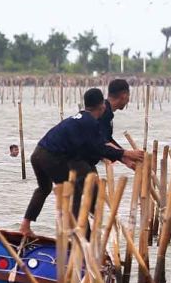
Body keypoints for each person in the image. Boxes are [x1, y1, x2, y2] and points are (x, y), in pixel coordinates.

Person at [20, 88, 145, 237]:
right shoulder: (90, 122)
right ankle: (77, 236)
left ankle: (25, 226)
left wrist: (123, 157)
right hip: (50, 158)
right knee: (75, 190)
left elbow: (95, 148)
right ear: (102, 106)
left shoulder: (80, 118)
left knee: (44, 188)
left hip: (37, 154)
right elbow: (100, 148)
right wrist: (126, 153)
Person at [101, 78, 133, 167]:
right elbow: (102, 142)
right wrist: (126, 154)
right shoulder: (103, 111)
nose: (128, 100)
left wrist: (126, 159)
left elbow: (107, 139)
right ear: (124, 95)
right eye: (129, 95)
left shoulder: (106, 109)